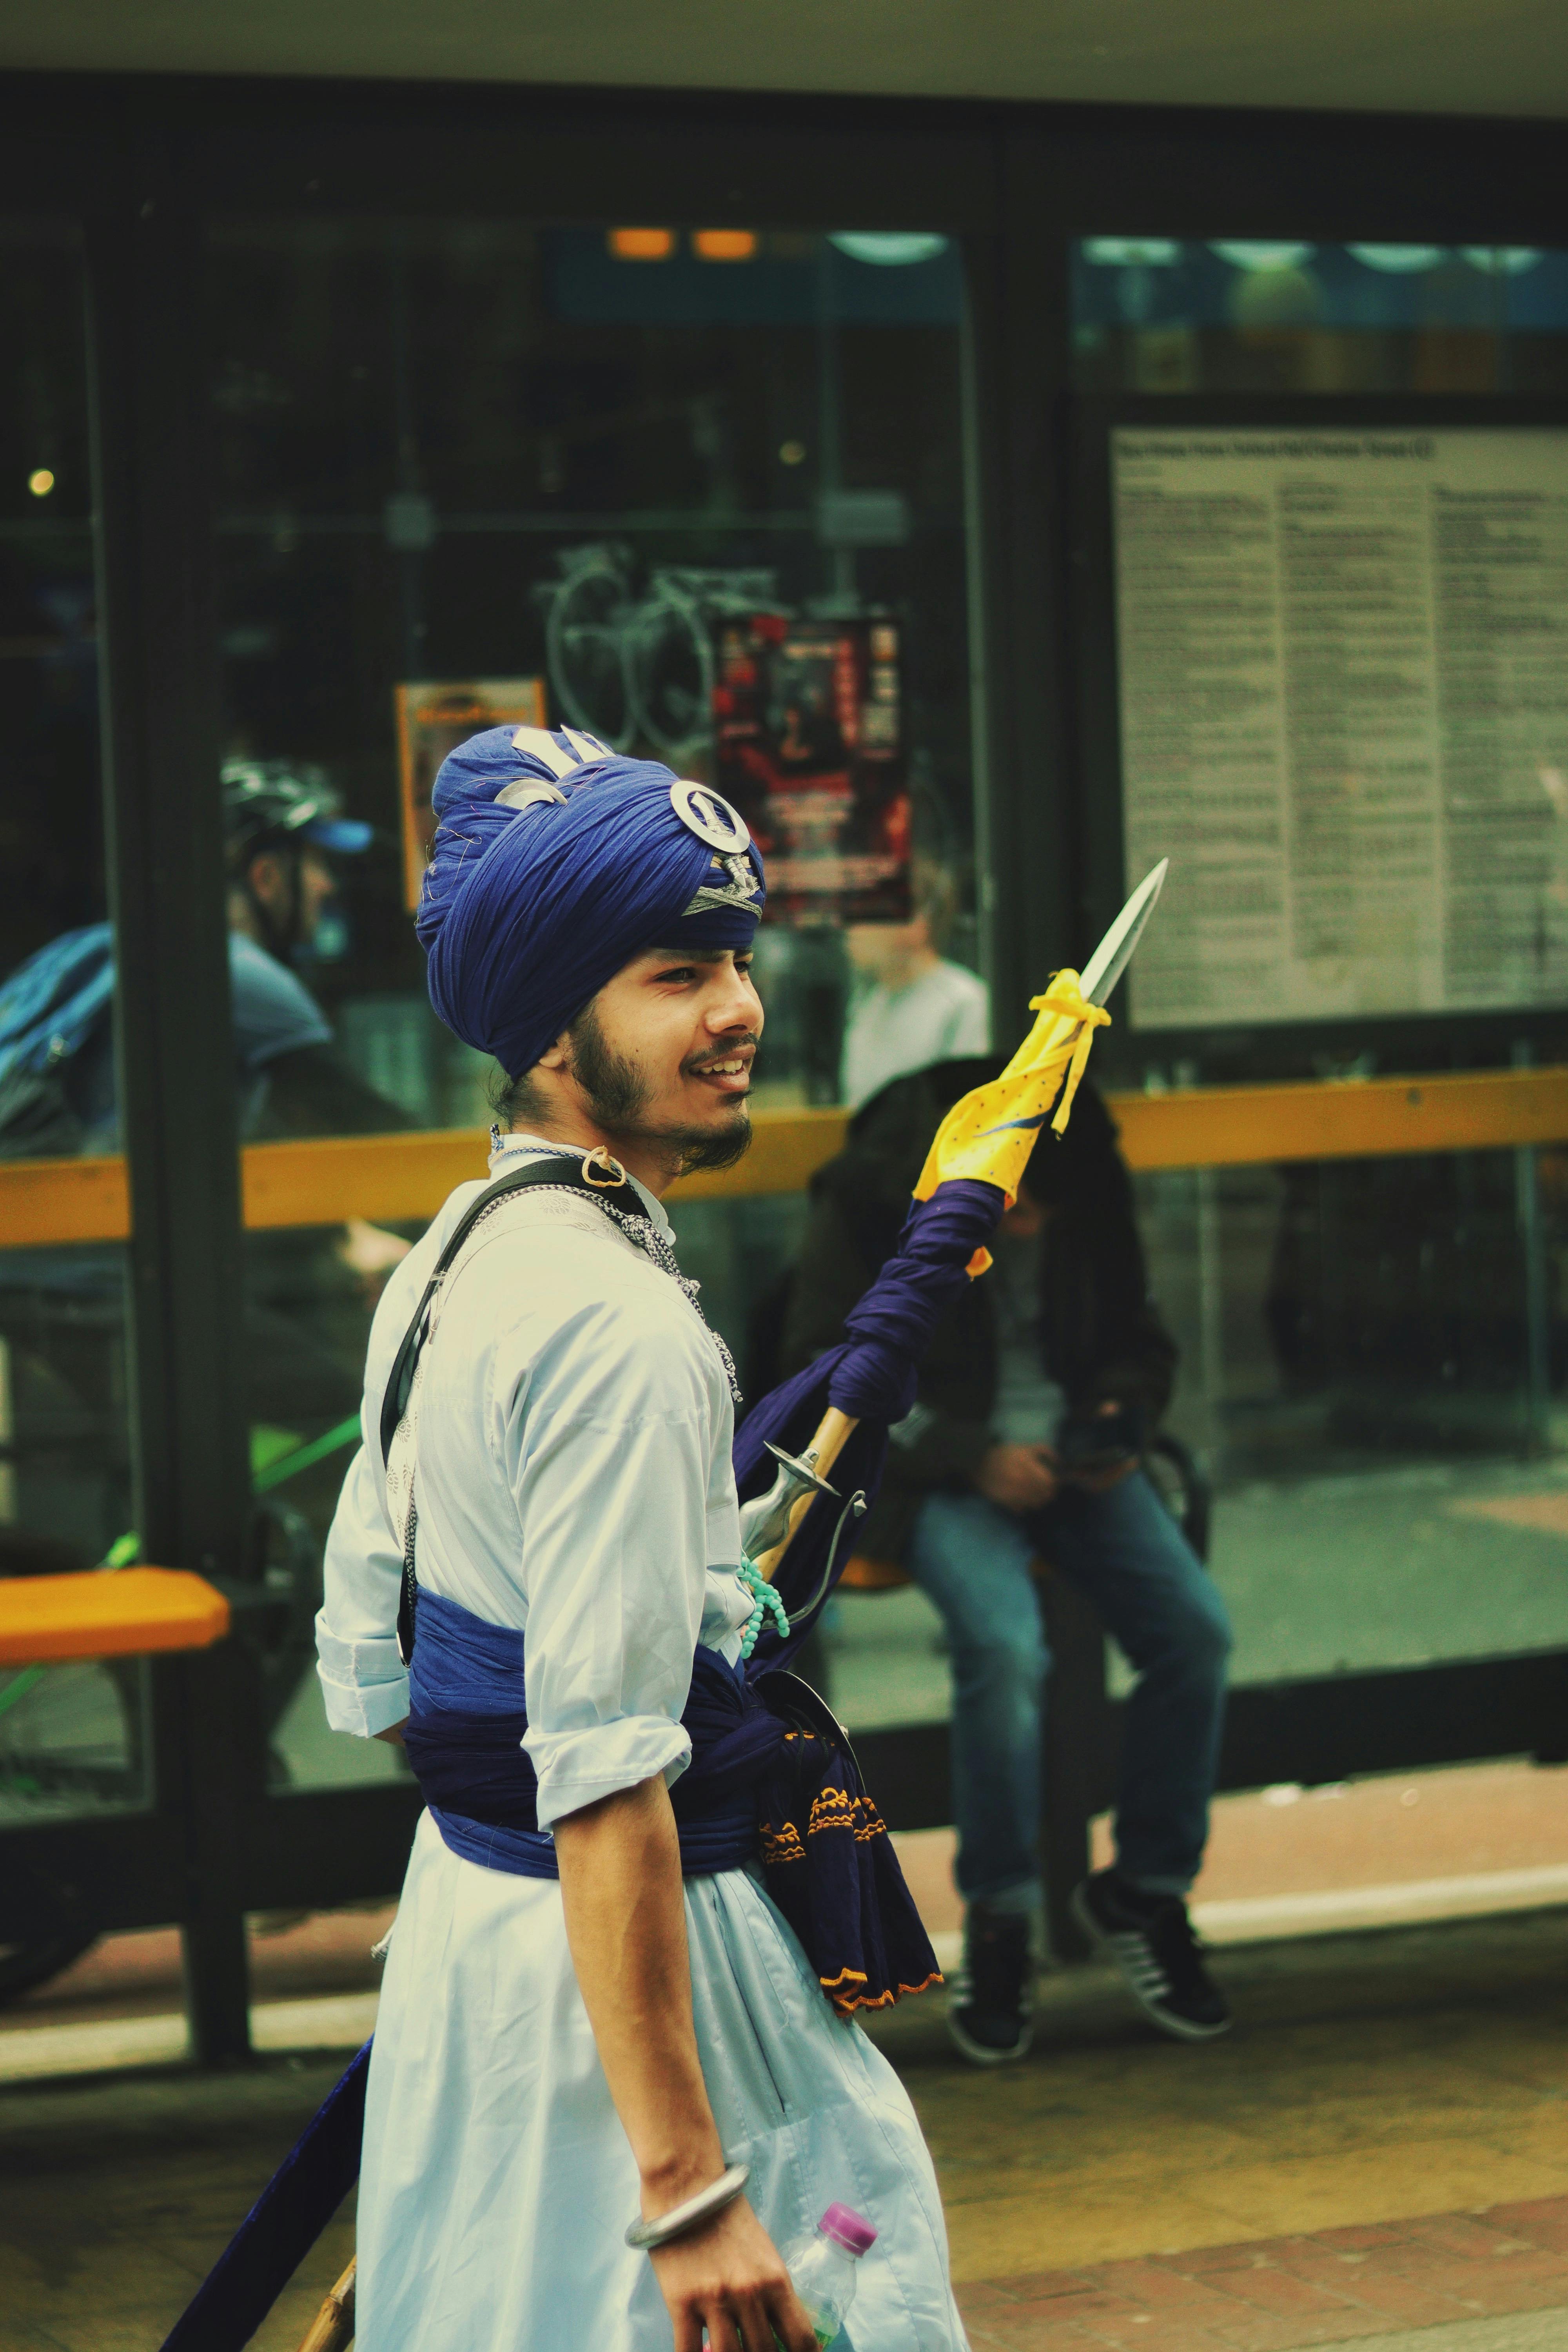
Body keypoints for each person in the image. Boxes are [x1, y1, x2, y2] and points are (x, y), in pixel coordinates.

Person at [314, 727, 965, 2352]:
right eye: (679, 973)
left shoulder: (456, 1255)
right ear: (551, 1024)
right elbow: (603, 1768)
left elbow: (404, 1673)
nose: (739, 1010)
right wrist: (685, 2189)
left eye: (737, 961)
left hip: (486, 1954)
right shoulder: (613, 1325)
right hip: (630, 1975)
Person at [783, 1056, 1234, 2063]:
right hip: (941, 1474)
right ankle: (1000, 1917)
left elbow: (1138, 1338)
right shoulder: (870, 1200)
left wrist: (1116, 1415)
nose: (1027, 1229)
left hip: (1079, 1461)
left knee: (1194, 1636)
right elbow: (825, 1371)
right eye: (1011, 1210)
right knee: (1003, 1650)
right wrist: (968, 1456)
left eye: (1042, 1213)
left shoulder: (1084, 1185)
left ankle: (1145, 1893)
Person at [839, 860, 989, 1109]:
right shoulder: (868, 999)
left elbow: (968, 1110)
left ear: (916, 923)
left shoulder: (964, 1003)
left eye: (867, 913)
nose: (851, 928)